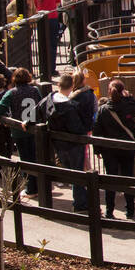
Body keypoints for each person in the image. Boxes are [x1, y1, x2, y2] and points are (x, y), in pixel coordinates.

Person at [94, 79, 135, 218]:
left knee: (111, 179)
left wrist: (97, 149)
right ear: (123, 91)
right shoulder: (127, 105)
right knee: (127, 178)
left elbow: (97, 129)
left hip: (109, 149)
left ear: (109, 92)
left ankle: (109, 211)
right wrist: (130, 97)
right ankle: (130, 210)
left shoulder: (103, 110)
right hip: (127, 147)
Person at [42, 72, 88, 211]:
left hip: (58, 144)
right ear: (72, 86)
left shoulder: (49, 99)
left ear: (58, 84)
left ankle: (80, 201)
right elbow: (77, 128)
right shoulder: (70, 106)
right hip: (73, 145)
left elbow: (35, 112)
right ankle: (80, 204)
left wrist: (29, 122)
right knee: (77, 174)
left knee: (72, 173)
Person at [0, 67, 41, 190]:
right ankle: (36, 186)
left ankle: (31, 188)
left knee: (25, 159)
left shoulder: (11, 93)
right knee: (34, 158)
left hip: (19, 131)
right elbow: (41, 106)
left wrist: (6, 119)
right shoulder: (35, 90)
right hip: (34, 129)